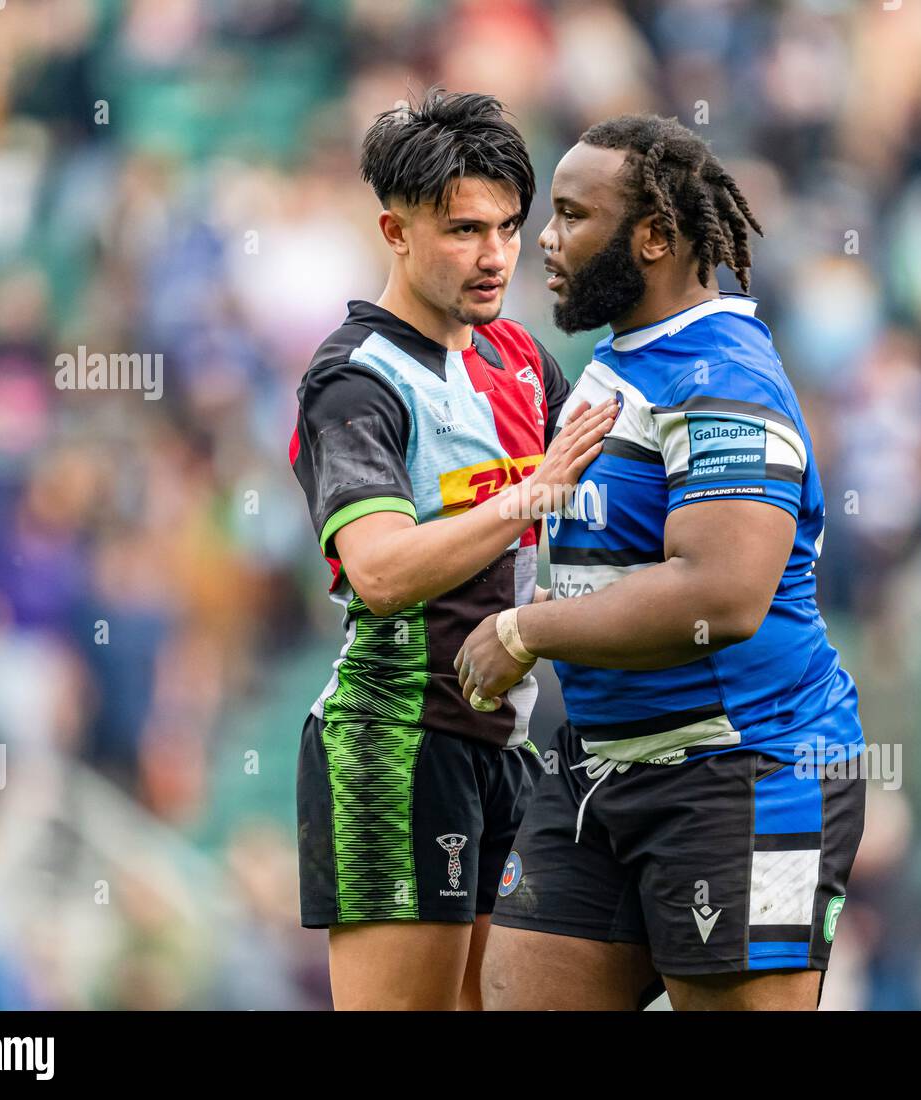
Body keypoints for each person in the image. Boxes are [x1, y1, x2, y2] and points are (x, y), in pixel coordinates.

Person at [454, 114, 865, 1010]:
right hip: (603, 768)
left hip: (759, 778)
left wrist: (525, 631)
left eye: (570, 216)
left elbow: (721, 596)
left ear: (655, 236)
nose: (546, 242)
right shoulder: (612, 364)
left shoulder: (723, 377)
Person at [290, 89, 616, 1010]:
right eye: (464, 231)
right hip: (395, 738)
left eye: (511, 228)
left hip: (506, 746)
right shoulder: (354, 380)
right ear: (394, 231)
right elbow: (381, 570)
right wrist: (532, 494)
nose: (496, 256)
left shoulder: (518, 358)